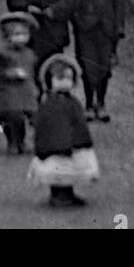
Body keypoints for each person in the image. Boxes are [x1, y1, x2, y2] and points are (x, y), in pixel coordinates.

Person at [29, 54, 99, 209]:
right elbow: (46, 127)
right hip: (55, 148)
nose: (64, 83)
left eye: (68, 79)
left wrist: (82, 140)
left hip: (72, 145)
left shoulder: (73, 103)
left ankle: (68, 193)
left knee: (69, 172)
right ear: (49, 81)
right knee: (57, 170)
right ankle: (58, 196)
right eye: (59, 79)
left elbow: (79, 123)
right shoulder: (48, 105)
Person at [73, 0, 126, 121]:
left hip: (106, 32)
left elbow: (119, 7)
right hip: (86, 31)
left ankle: (101, 103)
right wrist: (79, 22)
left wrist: (119, 27)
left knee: (104, 68)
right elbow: (75, 4)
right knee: (88, 68)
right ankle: (88, 104)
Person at [0, 11, 39, 154]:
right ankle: (12, 141)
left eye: (24, 34)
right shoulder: (2, 54)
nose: (21, 38)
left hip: (24, 91)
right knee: (8, 118)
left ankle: (21, 141)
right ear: (8, 37)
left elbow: (33, 71)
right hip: (6, 92)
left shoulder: (29, 53)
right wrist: (12, 73)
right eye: (16, 34)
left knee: (22, 118)